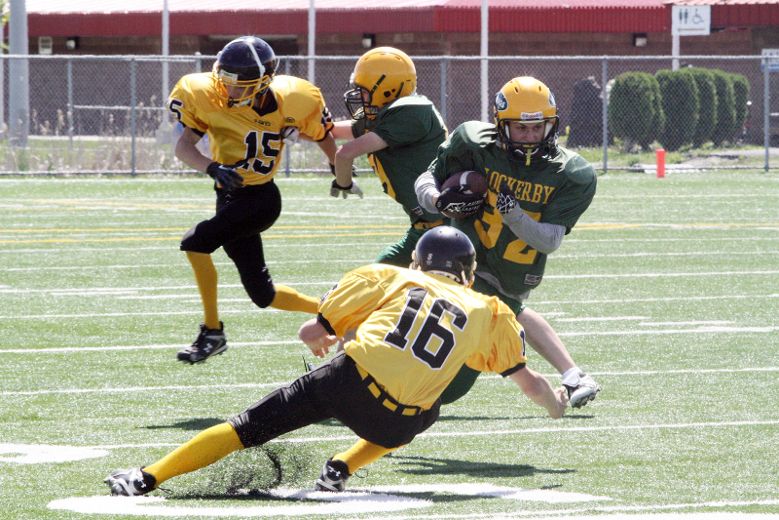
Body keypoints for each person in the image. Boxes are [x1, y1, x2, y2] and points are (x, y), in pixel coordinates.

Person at [104, 226, 568, 496]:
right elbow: (529, 384)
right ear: (468, 273)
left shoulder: (392, 276)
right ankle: (341, 468)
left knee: (246, 427)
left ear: (419, 262)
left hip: (348, 380)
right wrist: (557, 405)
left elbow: (313, 329)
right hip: (398, 424)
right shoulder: (491, 310)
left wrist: (321, 336)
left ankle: (145, 478)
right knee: (428, 408)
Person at [415, 76, 601, 408]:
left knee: (457, 376)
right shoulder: (474, 142)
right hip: (463, 260)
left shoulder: (570, 173)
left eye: (537, 128)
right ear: (501, 126)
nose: (530, 137)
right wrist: (436, 199)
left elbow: (549, 241)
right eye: (520, 129)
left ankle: (572, 377)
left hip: (515, 270)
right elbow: (428, 177)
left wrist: (512, 212)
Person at [167, 36, 338, 364]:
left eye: (235, 83)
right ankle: (335, 310)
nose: (225, 88)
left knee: (195, 242)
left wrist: (339, 170)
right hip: (228, 197)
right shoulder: (205, 94)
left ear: (261, 84)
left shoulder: (294, 99)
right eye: (223, 79)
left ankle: (212, 332)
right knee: (264, 295)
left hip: (260, 199)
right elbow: (183, 147)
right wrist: (212, 167)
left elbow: (323, 136)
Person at [330, 46, 448, 266]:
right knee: (378, 278)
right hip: (425, 227)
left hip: (450, 227)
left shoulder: (411, 112)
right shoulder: (387, 112)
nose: (360, 96)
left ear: (387, 89)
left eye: (364, 90)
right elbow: (334, 131)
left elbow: (345, 154)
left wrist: (343, 183)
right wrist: (298, 125)